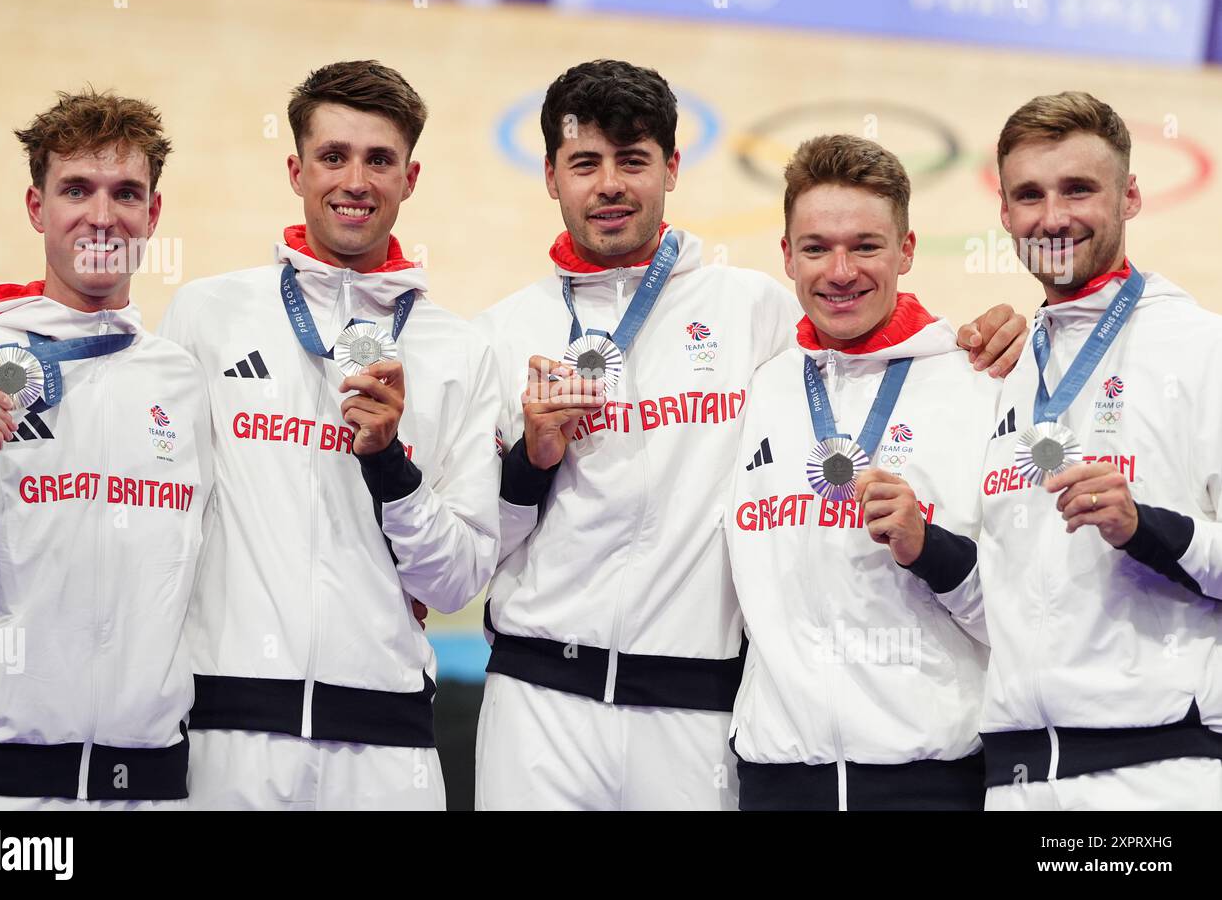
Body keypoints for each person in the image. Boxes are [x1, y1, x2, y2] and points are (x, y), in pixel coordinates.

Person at [472, 59, 1025, 810]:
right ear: (549, 175)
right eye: (584, 163)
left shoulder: (752, 313)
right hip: (538, 698)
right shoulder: (499, 334)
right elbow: (467, 556)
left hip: (695, 712)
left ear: (671, 168)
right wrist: (529, 464)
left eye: (633, 161)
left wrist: (1006, 344)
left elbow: (870, 334)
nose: (609, 185)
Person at [158, 60, 500, 810]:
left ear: (410, 178)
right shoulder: (206, 317)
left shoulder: (460, 351)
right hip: (228, 733)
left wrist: (391, 467)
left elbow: (457, 580)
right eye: (333, 156)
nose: (356, 180)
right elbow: (160, 523)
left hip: (388, 746)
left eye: (379, 160)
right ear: (296, 169)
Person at [0, 89, 210, 809]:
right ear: (35, 207)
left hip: (146, 787)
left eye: (126, 193)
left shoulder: (184, 382)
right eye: (76, 189)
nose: (102, 217)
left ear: (154, 214)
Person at [727, 134, 996, 810]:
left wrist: (929, 548)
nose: (840, 271)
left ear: (907, 249)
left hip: (928, 782)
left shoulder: (981, 385)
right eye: (816, 247)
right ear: (786, 255)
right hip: (777, 780)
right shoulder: (759, 388)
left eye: (866, 246)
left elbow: (1026, 615)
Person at [978, 91, 1222, 810]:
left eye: (1078, 189)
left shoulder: (1203, 350)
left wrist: (1146, 528)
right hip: (1016, 781)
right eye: (1029, 195)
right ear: (1004, 216)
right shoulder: (1002, 367)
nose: (1052, 217)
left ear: (1132, 196)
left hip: (1157, 776)